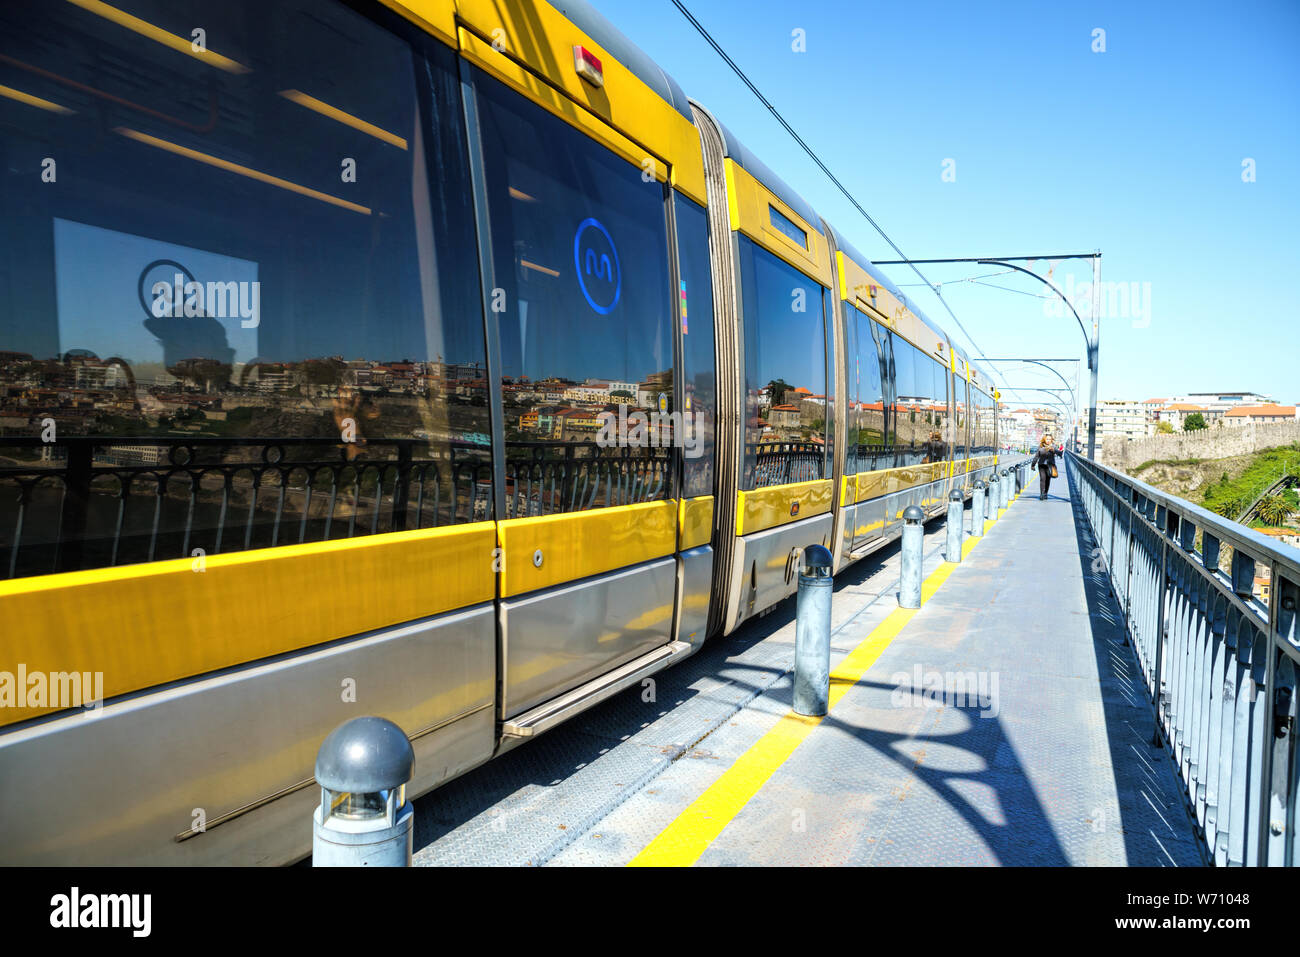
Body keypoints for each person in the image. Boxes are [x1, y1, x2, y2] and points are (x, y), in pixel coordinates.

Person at [1032, 435, 1059, 500]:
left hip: (1050, 465)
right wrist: (1033, 465)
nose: (1048, 440)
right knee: (1042, 479)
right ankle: (1042, 494)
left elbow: (1060, 453)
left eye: (1050, 439)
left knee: (1048, 480)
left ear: (1051, 440)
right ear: (1044, 439)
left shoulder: (1053, 446)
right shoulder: (1040, 447)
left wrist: (1054, 451)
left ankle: (1046, 493)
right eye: (1047, 439)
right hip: (1042, 465)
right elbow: (1036, 456)